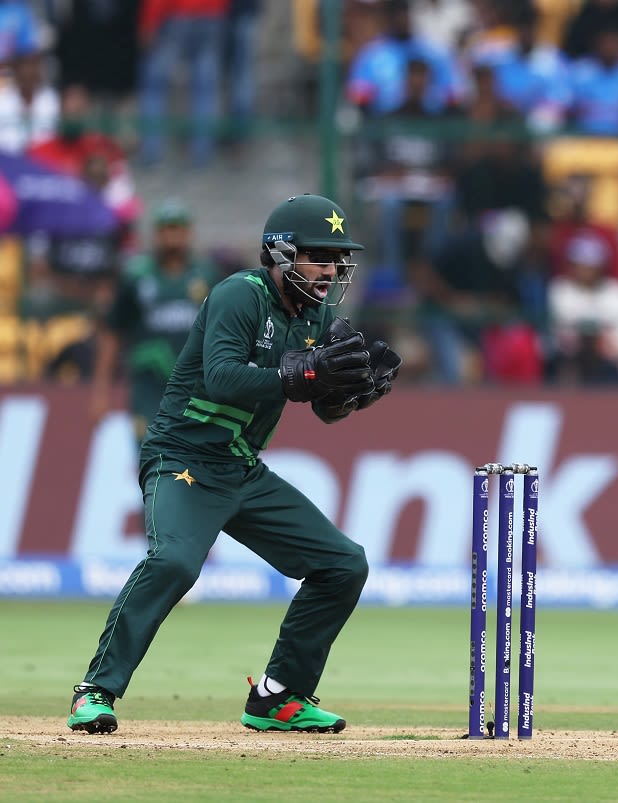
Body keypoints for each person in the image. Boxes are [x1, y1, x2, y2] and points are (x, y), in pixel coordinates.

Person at [67, 194, 403, 735]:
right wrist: (310, 376)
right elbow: (222, 376)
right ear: (281, 253)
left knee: (343, 565)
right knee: (174, 563)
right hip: (183, 457)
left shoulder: (318, 314)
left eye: (339, 257)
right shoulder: (237, 294)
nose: (334, 268)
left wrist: (353, 394)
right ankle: (96, 690)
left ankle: (278, 697)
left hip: (241, 467)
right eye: (321, 255)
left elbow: (323, 410)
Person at [90, 198, 219, 445]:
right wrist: (100, 393)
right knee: (150, 456)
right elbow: (112, 332)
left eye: (177, 228)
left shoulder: (207, 275)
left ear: (188, 232)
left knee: (194, 462)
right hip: (148, 383)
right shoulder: (136, 277)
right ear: (156, 234)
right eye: (166, 229)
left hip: (196, 384)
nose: (172, 236)